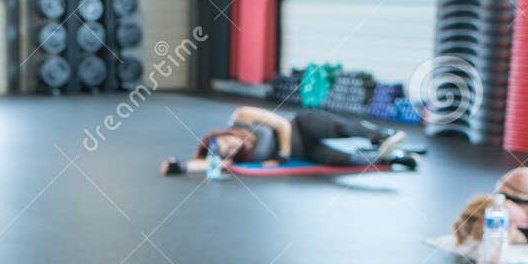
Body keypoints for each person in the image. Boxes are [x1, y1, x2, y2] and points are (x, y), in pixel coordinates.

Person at [161, 105, 415, 174]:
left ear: (223, 134)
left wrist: (281, 155)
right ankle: (394, 157)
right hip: (304, 153)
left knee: (340, 128)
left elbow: (281, 124)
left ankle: (382, 136)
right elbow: (209, 164)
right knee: (345, 161)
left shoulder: (241, 117)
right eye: (228, 152)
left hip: (301, 127)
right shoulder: (236, 158)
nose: (232, 148)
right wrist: (178, 166)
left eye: (228, 144)